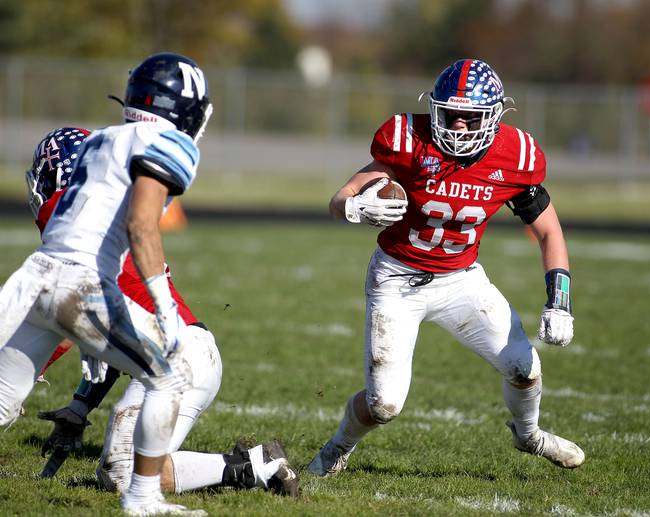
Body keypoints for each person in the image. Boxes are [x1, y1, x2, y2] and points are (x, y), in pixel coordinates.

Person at [308, 58, 584, 478]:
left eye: (468, 117)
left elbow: (549, 233)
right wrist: (354, 207)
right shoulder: (408, 139)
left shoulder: (515, 156)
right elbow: (340, 196)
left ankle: (529, 435)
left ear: (492, 118)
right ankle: (336, 448)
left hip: (461, 281)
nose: (456, 126)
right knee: (384, 405)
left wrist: (559, 302)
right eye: (448, 114)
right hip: (397, 280)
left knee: (525, 369)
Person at [25, 128, 298, 497]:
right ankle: (254, 466)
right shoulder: (113, 206)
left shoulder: (64, 205)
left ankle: (257, 465)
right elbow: (112, 337)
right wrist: (79, 406)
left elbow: (61, 311)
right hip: (188, 354)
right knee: (124, 471)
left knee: (122, 473)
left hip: (176, 359)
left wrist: (26, 372)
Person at [0, 52, 215, 516]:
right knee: (169, 374)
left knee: (0, 397)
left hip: (34, 276)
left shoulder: (100, 139)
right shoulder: (171, 141)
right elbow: (141, 227)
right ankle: (142, 499)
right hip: (81, 284)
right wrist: (163, 307)